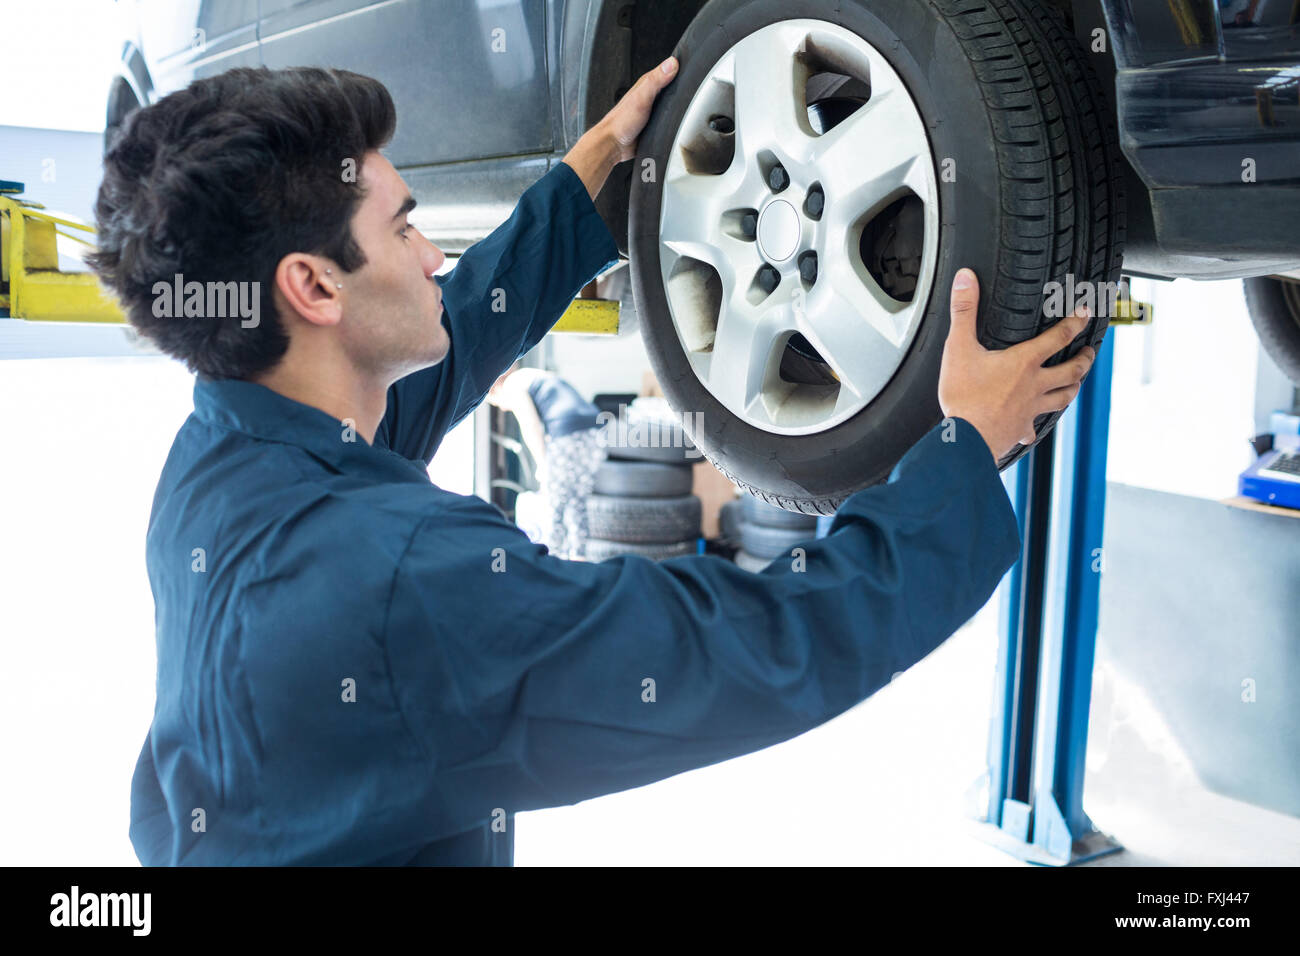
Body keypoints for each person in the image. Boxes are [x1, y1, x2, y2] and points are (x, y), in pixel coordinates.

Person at [89, 61, 1096, 866]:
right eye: (403, 227)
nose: (435, 253)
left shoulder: (227, 450)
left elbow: (440, 346)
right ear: (311, 285)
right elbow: (763, 648)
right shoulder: (405, 593)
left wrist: (580, 187)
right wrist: (963, 447)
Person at [487, 364, 606, 559]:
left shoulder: (511, 385)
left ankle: (553, 557)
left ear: (494, 390)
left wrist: (542, 465)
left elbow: (530, 426)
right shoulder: (534, 375)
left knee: (555, 502)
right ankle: (579, 556)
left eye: (497, 404)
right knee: (577, 498)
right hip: (595, 427)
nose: (503, 408)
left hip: (569, 431)